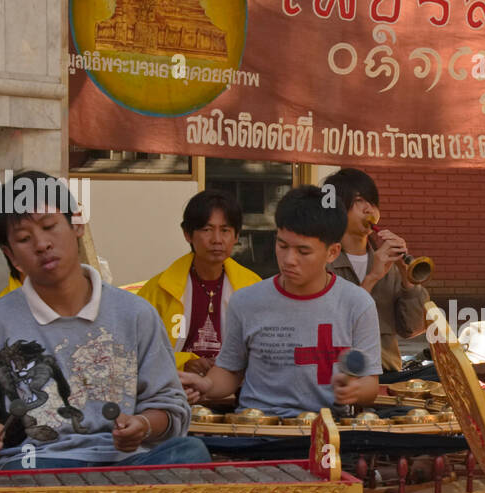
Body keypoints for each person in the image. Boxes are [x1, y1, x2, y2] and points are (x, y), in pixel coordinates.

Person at [0, 170, 206, 470]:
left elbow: (169, 408)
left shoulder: (135, 314)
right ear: (11, 255)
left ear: (77, 224)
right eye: (24, 238)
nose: (42, 244)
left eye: (49, 226)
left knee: (191, 452)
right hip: (35, 464)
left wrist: (143, 426)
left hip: (126, 463)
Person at [179, 186, 381, 416]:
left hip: (328, 431)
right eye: (282, 245)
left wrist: (355, 390)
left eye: (303, 251)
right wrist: (208, 385)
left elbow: (370, 383)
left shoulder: (358, 304)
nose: (288, 260)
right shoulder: (246, 301)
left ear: (332, 253)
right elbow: (230, 371)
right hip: (257, 428)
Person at [135, 189, 262, 375]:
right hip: (173, 390)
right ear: (188, 234)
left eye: (225, 230)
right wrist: (184, 363)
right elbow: (138, 351)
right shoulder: (158, 290)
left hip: (237, 392)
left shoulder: (254, 288)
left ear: (236, 236)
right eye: (207, 230)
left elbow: (266, 351)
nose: (217, 240)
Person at [322, 168, 428, 372]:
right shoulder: (323, 263)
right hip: (340, 376)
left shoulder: (388, 263)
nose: (369, 209)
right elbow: (335, 325)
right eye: (359, 201)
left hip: (386, 374)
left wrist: (409, 281)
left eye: (372, 202)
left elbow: (413, 328)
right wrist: (372, 277)